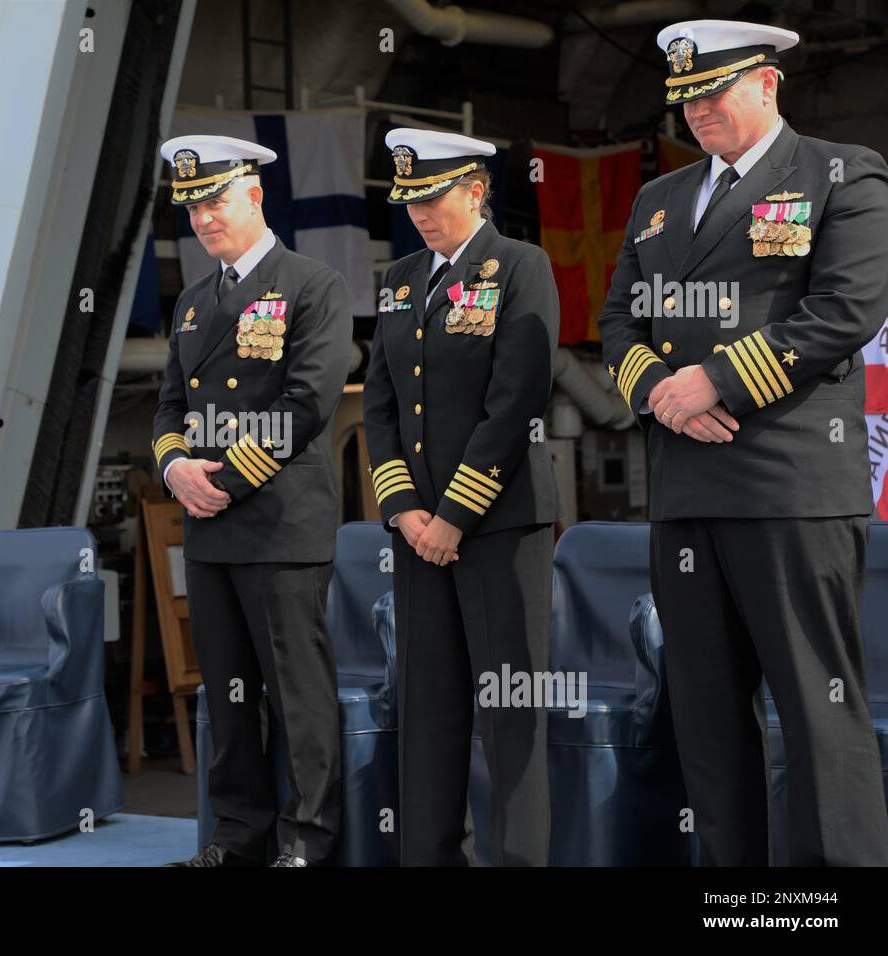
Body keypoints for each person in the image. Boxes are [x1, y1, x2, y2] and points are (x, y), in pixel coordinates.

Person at [598, 19, 888, 865]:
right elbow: (618, 322)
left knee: (816, 714)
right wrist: (660, 391)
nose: (698, 112)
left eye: (713, 92)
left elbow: (843, 310)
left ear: (767, 83)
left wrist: (714, 381)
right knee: (710, 723)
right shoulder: (658, 203)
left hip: (787, 488)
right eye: (685, 98)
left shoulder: (842, 173)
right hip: (687, 487)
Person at [152, 135, 351, 866]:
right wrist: (175, 469)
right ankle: (237, 837)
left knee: (296, 698)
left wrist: (219, 480)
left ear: (254, 194)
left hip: (278, 525)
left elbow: (308, 403)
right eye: (192, 206)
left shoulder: (312, 284)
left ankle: (305, 843)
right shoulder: (194, 302)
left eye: (215, 200)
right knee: (230, 697)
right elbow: (168, 405)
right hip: (209, 528)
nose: (204, 218)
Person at [363, 129, 560, 866]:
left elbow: (516, 402)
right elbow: (381, 403)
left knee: (510, 713)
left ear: (475, 190)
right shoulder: (402, 278)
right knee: (428, 707)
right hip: (417, 533)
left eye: (432, 196)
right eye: (408, 198)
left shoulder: (518, 266)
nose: (418, 212)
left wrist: (453, 515)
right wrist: (405, 510)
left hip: (500, 527)